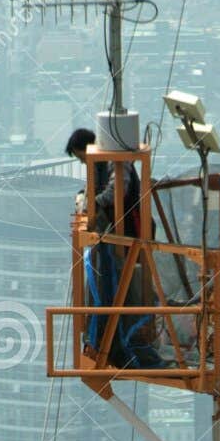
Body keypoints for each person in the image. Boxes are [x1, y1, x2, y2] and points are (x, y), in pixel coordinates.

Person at [66, 126, 163, 370]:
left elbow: (115, 191)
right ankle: (126, 327)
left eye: (81, 157)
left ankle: (130, 328)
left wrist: (93, 205)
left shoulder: (115, 163)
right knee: (120, 279)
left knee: (127, 279)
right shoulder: (102, 164)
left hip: (131, 230)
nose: (83, 162)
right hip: (123, 231)